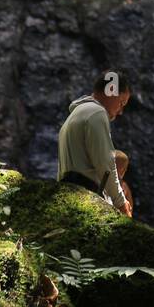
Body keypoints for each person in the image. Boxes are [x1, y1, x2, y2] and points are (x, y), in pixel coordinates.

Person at [57, 71, 132, 216]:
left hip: (68, 190)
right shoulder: (96, 113)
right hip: (86, 192)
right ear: (111, 92)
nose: (121, 111)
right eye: (122, 103)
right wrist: (121, 202)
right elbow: (106, 164)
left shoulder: (78, 113)